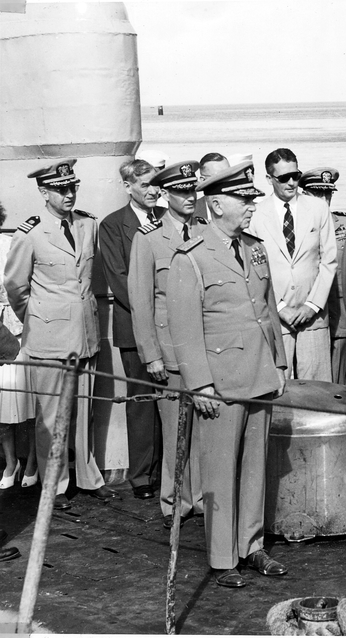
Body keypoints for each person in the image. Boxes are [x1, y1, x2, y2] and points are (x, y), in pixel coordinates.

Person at [166, 161, 289, 588]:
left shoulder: (254, 247)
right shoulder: (191, 257)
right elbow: (183, 328)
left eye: (253, 198)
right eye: (244, 199)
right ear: (216, 205)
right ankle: (222, 559)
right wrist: (199, 383)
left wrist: (280, 363)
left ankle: (251, 546)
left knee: (255, 467)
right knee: (219, 470)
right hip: (219, 382)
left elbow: (267, 309)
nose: (252, 205)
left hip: (260, 374)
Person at [4, 159, 114, 510]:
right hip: (49, 340)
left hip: (85, 334)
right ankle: (54, 486)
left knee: (84, 412)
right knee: (51, 418)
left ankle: (87, 477)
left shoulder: (87, 224)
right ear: (44, 192)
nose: (68, 194)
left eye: (72, 187)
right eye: (61, 189)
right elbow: (16, 287)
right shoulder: (29, 233)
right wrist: (41, 320)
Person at [128, 161, 207, 528]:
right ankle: (174, 503)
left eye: (193, 190)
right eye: (181, 191)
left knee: (205, 430)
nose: (190, 197)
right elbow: (141, 302)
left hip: (206, 352)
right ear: (165, 195)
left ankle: (204, 498)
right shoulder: (149, 239)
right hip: (170, 353)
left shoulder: (207, 233)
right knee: (176, 431)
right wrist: (151, 355)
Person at [99, 159, 164, 501]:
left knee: (170, 399)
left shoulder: (167, 218)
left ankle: (170, 471)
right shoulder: (112, 226)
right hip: (134, 326)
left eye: (156, 184)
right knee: (141, 401)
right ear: (128, 187)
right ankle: (142, 476)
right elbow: (119, 279)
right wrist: (155, 311)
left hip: (168, 325)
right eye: (145, 186)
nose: (153, 190)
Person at [249, 148, 337, 382]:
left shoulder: (318, 209)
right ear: (269, 180)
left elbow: (329, 261)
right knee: (278, 392)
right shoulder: (256, 214)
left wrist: (312, 305)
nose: (291, 183)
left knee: (318, 394)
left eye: (295, 176)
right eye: (283, 178)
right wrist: (279, 308)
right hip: (276, 319)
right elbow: (253, 270)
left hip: (314, 320)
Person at [298, 167, 346, 386]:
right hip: (303, 316)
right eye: (317, 194)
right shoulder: (293, 226)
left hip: (338, 316)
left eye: (328, 194)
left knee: (336, 385)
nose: (324, 199)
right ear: (305, 195)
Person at [0, 201, 37, 491]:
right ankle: (10, 462)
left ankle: (33, 461)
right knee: (2, 409)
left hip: (19, 331)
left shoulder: (12, 244)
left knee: (30, 401)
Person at [194, 153, 230, 220]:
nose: (225, 181)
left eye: (228, 175)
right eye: (218, 177)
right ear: (203, 180)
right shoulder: (191, 212)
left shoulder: (241, 208)